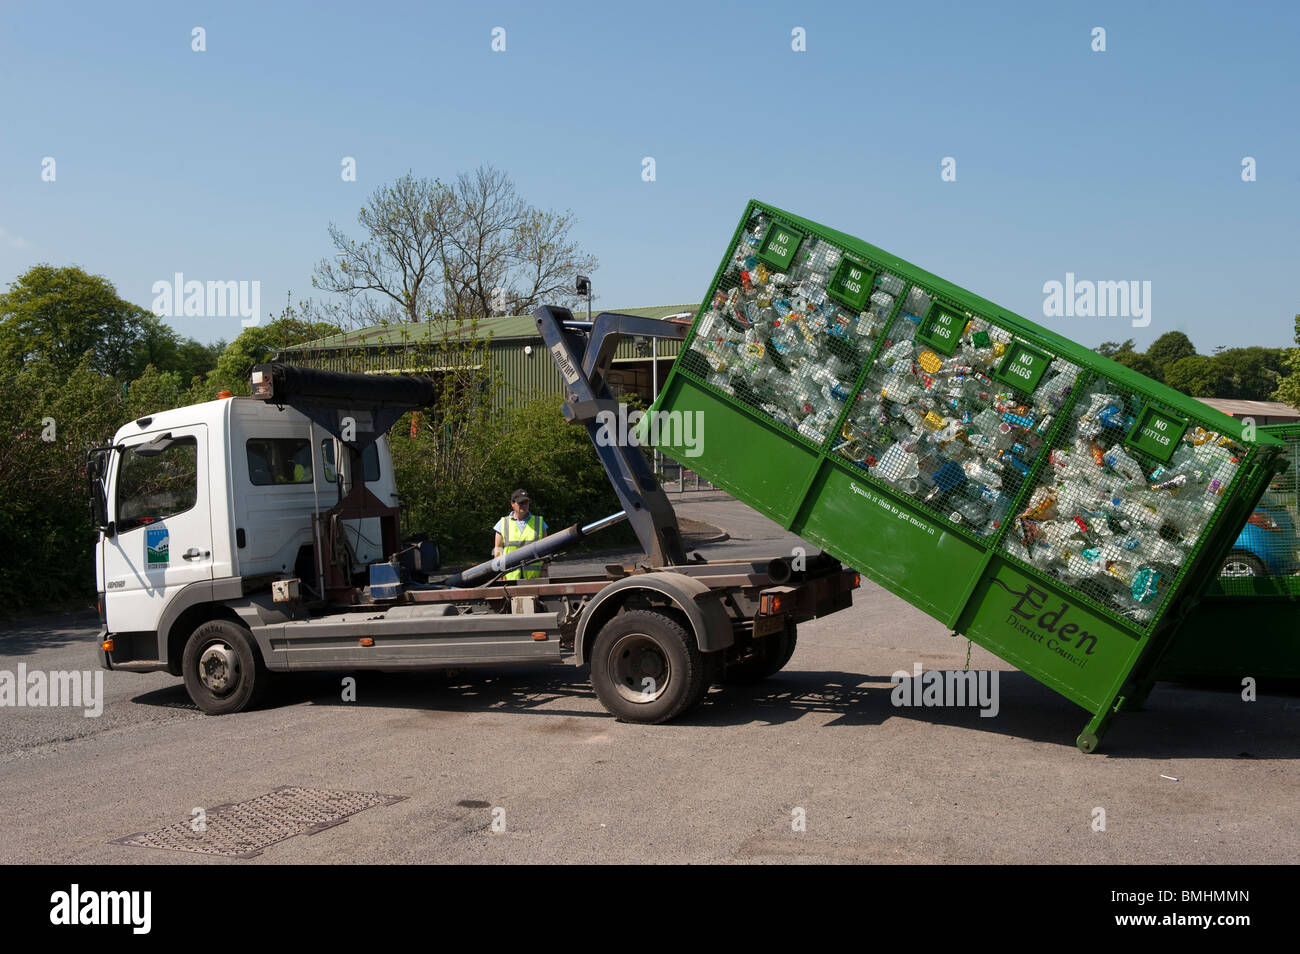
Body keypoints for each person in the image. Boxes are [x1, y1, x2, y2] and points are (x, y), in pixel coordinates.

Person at [492, 489, 548, 580]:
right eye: (521, 503)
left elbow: (546, 550)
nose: (524, 505)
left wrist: (545, 570)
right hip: (510, 577)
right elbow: (498, 551)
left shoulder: (539, 523)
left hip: (534, 577)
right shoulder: (502, 523)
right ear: (512, 504)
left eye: (526, 502)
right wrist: (499, 575)